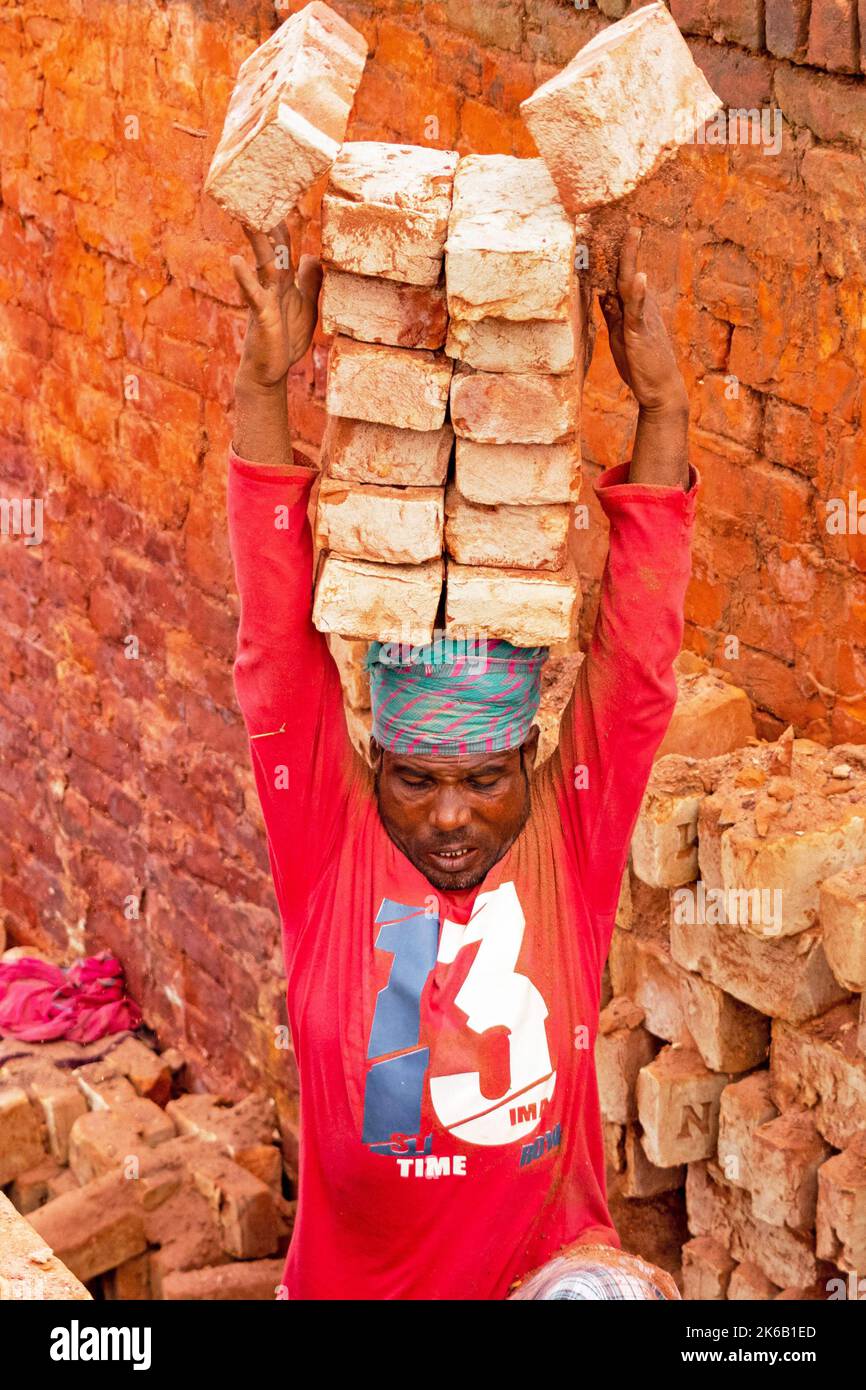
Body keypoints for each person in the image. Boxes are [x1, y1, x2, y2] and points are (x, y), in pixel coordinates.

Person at [227, 217, 698, 1300]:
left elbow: (634, 674)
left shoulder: (562, 843)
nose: (448, 817)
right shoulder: (329, 851)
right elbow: (273, 651)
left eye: (482, 779)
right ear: (371, 759)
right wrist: (262, 393)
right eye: (415, 778)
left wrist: (663, 406)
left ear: (528, 762)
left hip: (541, 1273)